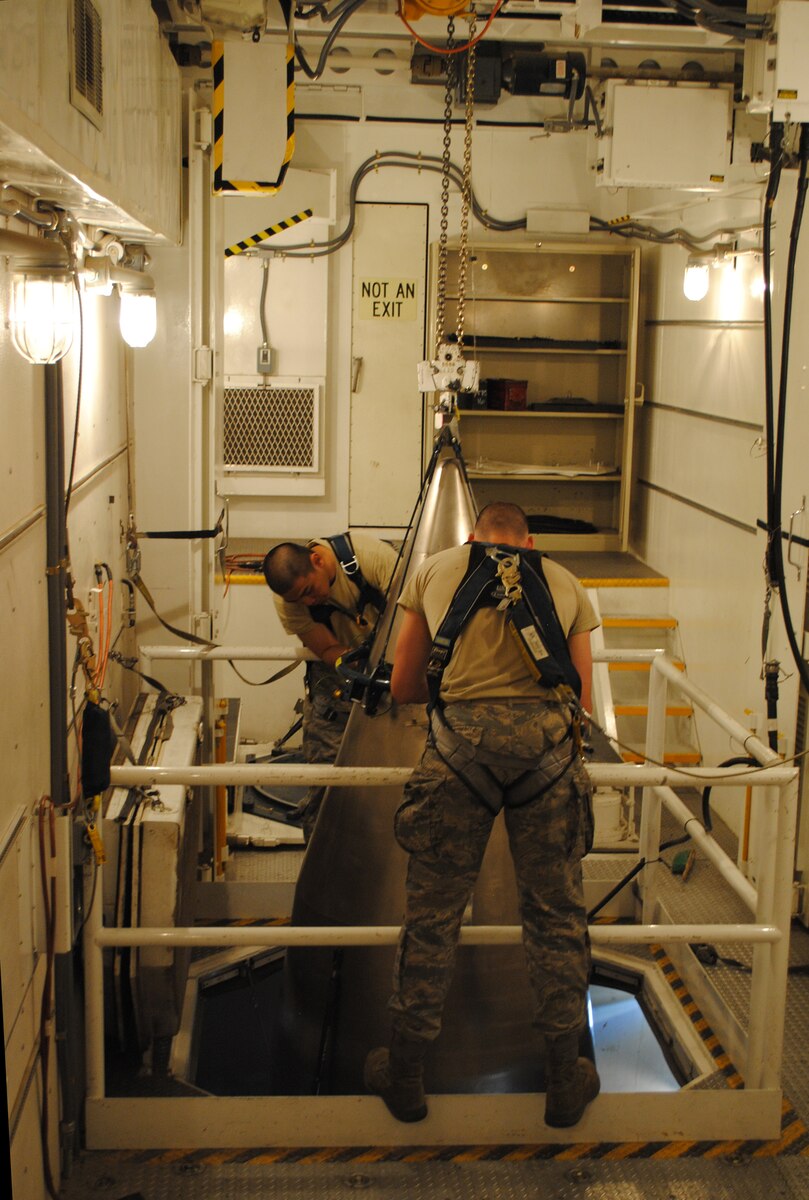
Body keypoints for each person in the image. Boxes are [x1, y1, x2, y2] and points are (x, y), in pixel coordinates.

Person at [364, 501, 600, 1128]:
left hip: (458, 760)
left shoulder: (433, 572)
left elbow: (406, 687)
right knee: (556, 919)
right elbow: (581, 695)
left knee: (432, 919)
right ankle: (563, 1082)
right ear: (531, 542)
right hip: (548, 764)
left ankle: (406, 1077)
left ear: (472, 539)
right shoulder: (569, 584)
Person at [263, 533, 399, 839]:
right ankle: (320, 860)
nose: (308, 602)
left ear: (318, 561)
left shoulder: (373, 558)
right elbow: (326, 649)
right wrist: (358, 672)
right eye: (299, 600)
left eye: (309, 591)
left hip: (396, 672)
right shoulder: (289, 599)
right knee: (327, 782)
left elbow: (413, 616)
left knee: (396, 779)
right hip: (337, 683)